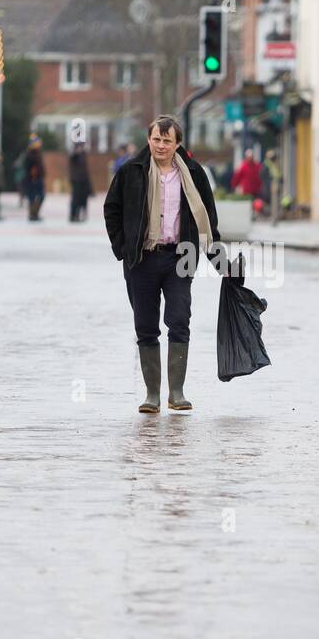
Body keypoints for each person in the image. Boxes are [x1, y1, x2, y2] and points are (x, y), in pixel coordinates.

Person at [104, 114, 223, 414]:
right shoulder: (132, 171)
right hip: (142, 258)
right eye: (156, 139)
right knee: (146, 325)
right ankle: (152, 395)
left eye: (167, 141)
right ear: (149, 139)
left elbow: (207, 217)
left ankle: (177, 393)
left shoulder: (193, 173)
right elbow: (112, 209)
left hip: (180, 256)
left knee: (179, 319)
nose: (160, 145)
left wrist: (220, 261)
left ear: (177, 144)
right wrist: (122, 246)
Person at [23, 133, 45, 222]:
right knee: (32, 197)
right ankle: (33, 214)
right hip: (32, 179)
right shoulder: (30, 154)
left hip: (38, 178)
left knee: (41, 196)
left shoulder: (38, 153)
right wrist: (33, 177)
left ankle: (34, 213)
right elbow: (29, 168)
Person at [68, 142, 93, 222]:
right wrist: (76, 152)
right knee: (75, 199)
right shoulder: (74, 156)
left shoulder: (83, 155)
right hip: (76, 181)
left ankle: (79, 215)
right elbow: (72, 156)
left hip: (83, 181)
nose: (81, 148)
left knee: (83, 199)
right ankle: (73, 215)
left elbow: (85, 170)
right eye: (79, 147)